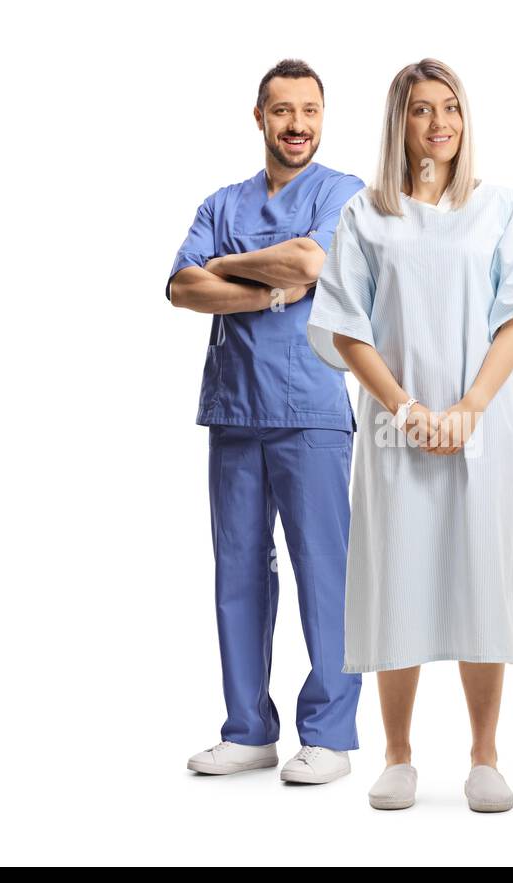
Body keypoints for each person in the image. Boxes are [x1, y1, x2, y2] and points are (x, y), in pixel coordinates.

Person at [306, 58, 513, 812]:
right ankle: (399, 755)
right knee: (397, 576)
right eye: (422, 109)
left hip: (480, 426)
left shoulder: (502, 208)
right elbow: (347, 328)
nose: (439, 122)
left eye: (450, 107)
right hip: (397, 428)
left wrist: (472, 405)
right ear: (399, 121)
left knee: (484, 578)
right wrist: (408, 408)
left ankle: (484, 755)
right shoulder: (366, 215)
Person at [166, 59, 365, 785]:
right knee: (239, 572)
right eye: (283, 111)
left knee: (325, 570)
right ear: (260, 118)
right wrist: (270, 290)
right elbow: (183, 287)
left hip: (310, 406)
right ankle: (248, 731)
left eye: (309, 110)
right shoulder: (223, 200)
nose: (297, 125)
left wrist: (231, 271)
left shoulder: (342, 193)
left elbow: (312, 259)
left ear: (322, 117)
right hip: (234, 407)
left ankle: (331, 734)